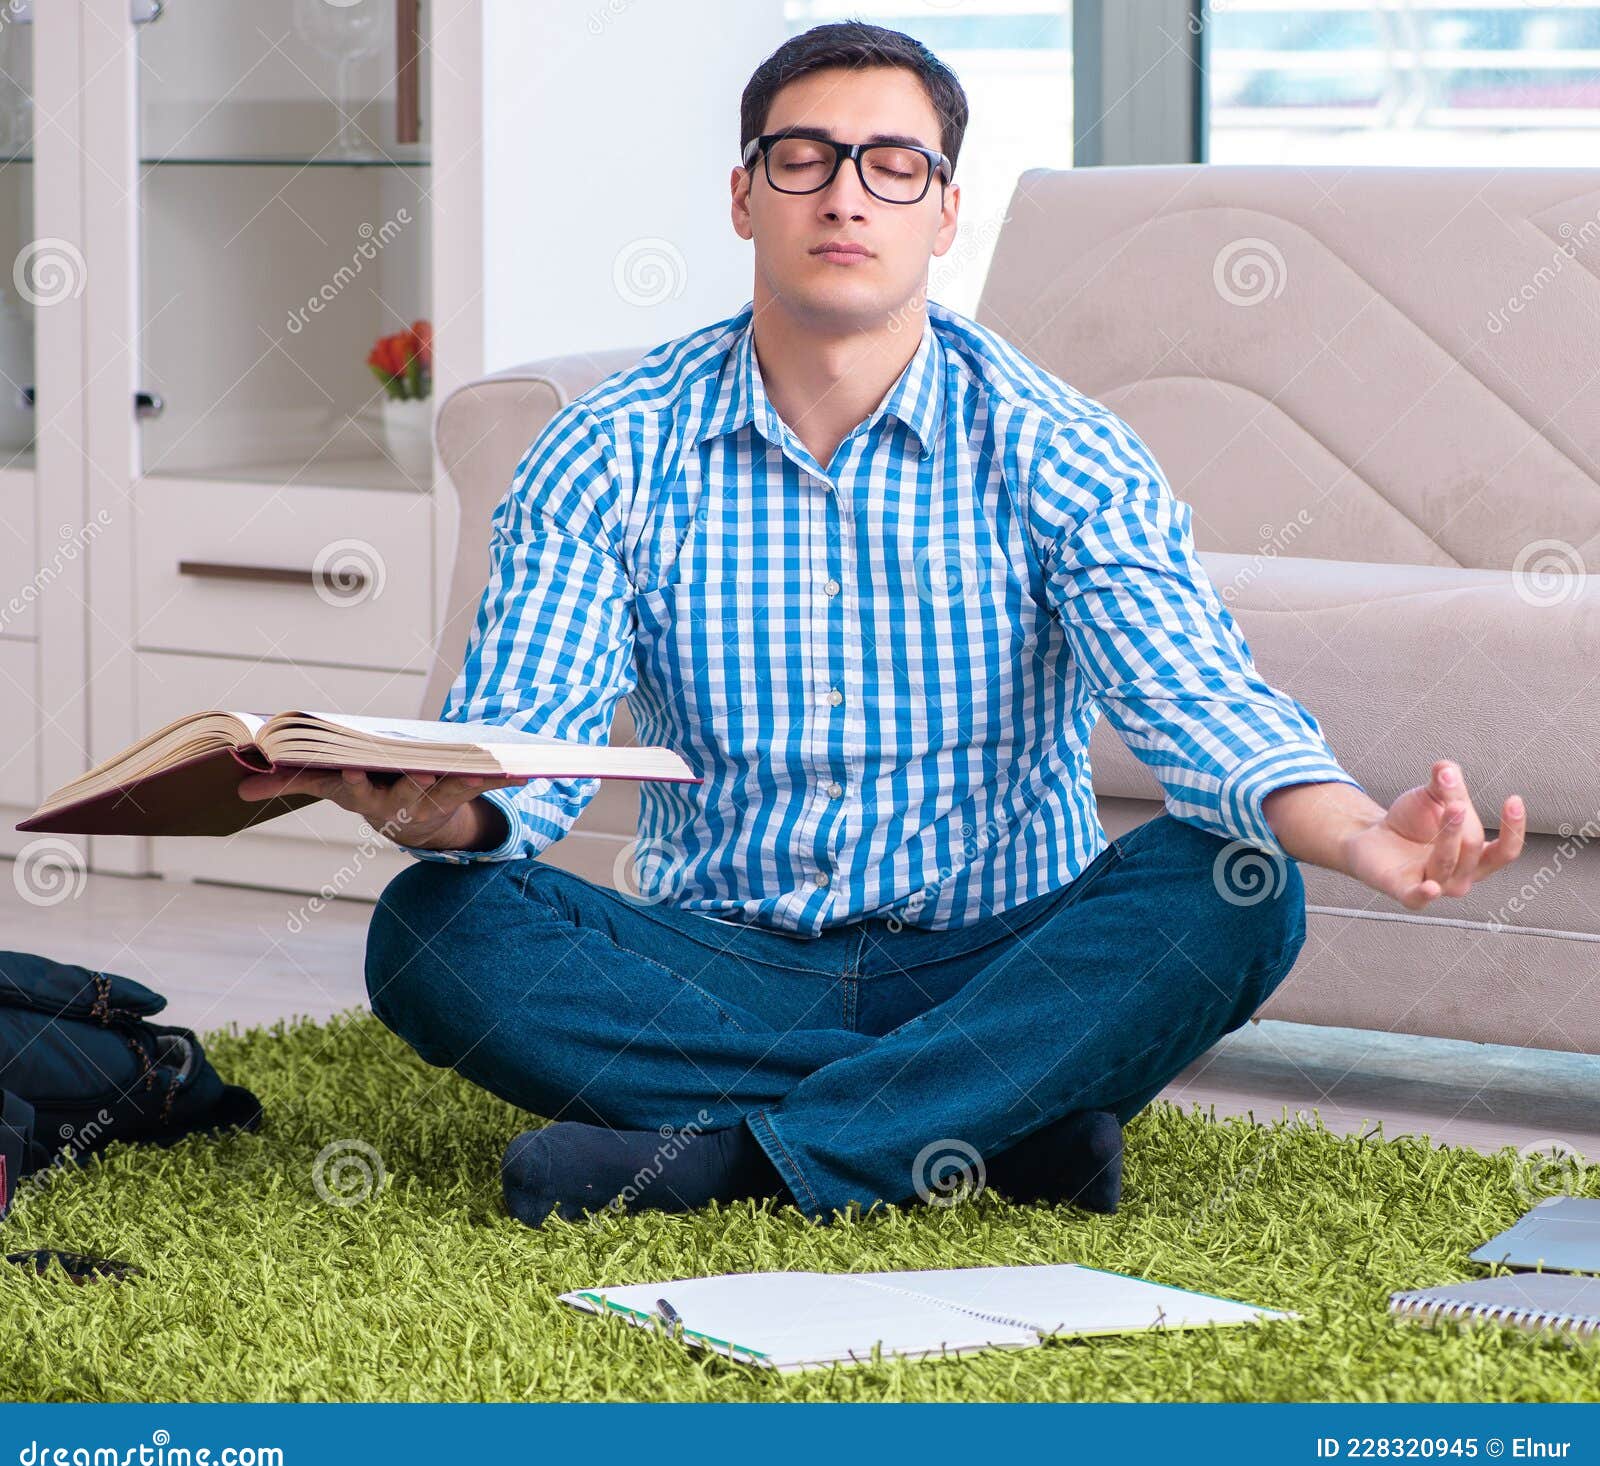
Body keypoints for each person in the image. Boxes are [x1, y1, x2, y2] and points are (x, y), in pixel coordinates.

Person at [239, 22, 1526, 1228]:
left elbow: (1195, 702)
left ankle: (745, 1156)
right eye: (801, 159)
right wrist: (438, 809)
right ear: (745, 196)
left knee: (1236, 888)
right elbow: (532, 740)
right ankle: (992, 1129)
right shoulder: (606, 449)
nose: (844, 195)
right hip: (726, 959)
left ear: (944, 210)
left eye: (892, 165)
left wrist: (1360, 832)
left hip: (990, 954)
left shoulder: (1056, 445)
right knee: (436, 928)